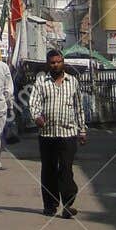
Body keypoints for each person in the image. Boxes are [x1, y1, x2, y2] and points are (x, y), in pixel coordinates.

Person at [29, 49, 87, 217]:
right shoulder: (41, 82)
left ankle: (68, 205)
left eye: (58, 61)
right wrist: (36, 116)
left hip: (68, 133)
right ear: (48, 64)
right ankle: (50, 205)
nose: (55, 65)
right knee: (49, 170)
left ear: (63, 62)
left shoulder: (73, 82)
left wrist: (82, 130)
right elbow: (33, 102)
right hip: (47, 134)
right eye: (52, 62)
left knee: (66, 169)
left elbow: (78, 107)